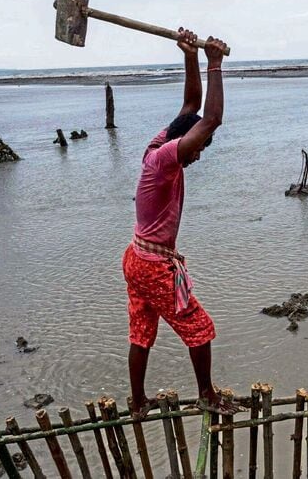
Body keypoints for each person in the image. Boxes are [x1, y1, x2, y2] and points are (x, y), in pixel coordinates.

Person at [123, 28, 237, 418]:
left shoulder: (157, 145)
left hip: (136, 257)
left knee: (142, 331)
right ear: (184, 143)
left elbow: (191, 106)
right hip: (154, 266)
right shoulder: (164, 159)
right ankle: (207, 395)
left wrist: (189, 55)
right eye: (198, 148)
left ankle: (138, 402)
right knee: (199, 327)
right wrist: (214, 63)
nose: (198, 156)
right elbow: (212, 118)